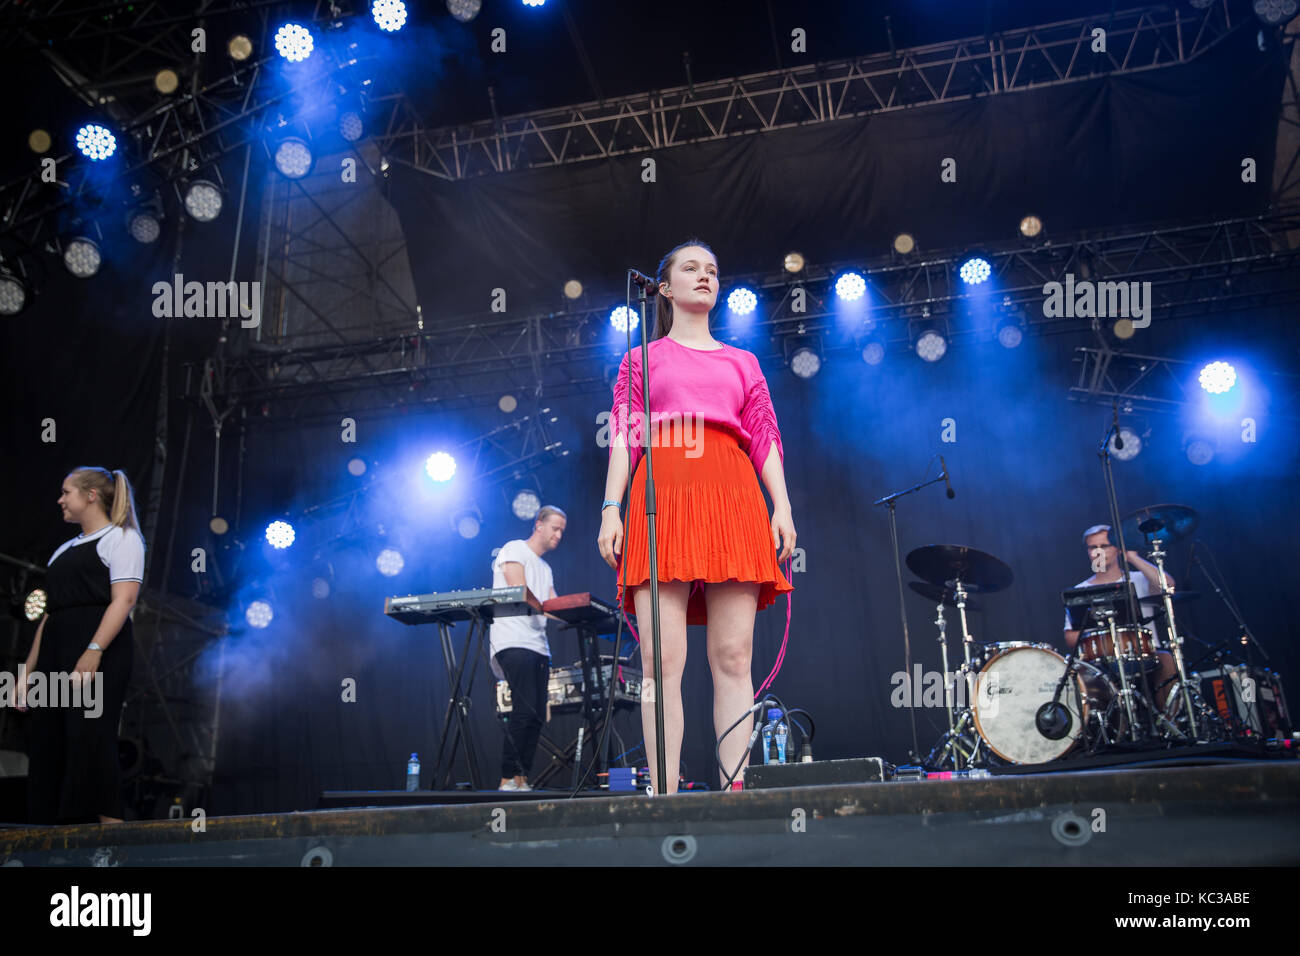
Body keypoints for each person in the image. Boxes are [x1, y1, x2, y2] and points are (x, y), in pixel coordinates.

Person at [597, 239, 795, 795]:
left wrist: (781, 505)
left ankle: (736, 793)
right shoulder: (640, 358)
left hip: (732, 495)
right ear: (664, 288)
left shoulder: (743, 361)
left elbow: (765, 437)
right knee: (662, 662)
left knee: (733, 656)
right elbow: (625, 438)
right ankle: (664, 796)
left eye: (713, 268)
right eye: (692, 268)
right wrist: (611, 508)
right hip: (664, 497)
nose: (706, 276)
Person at [19, 467, 144, 824]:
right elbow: (50, 615)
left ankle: (112, 840)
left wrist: (94, 650)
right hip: (56, 650)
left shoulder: (122, 539)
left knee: (89, 736)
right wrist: (26, 672)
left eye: (66, 492)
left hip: (97, 648)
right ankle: (48, 835)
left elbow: (124, 599)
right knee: (47, 740)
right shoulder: (63, 550)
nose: (60, 499)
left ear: (90, 496)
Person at [490, 506, 565, 792]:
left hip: (538, 647)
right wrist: (549, 608)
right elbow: (518, 590)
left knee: (535, 715)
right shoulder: (514, 549)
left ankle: (522, 779)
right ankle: (507, 778)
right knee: (523, 711)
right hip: (513, 640)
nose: (558, 535)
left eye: (562, 531)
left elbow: (553, 605)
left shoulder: (546, 568)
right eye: (555, 528)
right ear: (539, 525)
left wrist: (581, 611)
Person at [1063, 524, 1178, 711]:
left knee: (1167, 659)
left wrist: (1133, 557)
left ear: (1117, 548)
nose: (1099, 552)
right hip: (1102, 662)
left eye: (1105, 545)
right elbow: (1070, 637)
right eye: (1093, 547)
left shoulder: (1139, 579)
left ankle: (1170, 722)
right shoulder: (1080, 590)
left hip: (1146, 654)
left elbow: (1169, 587)